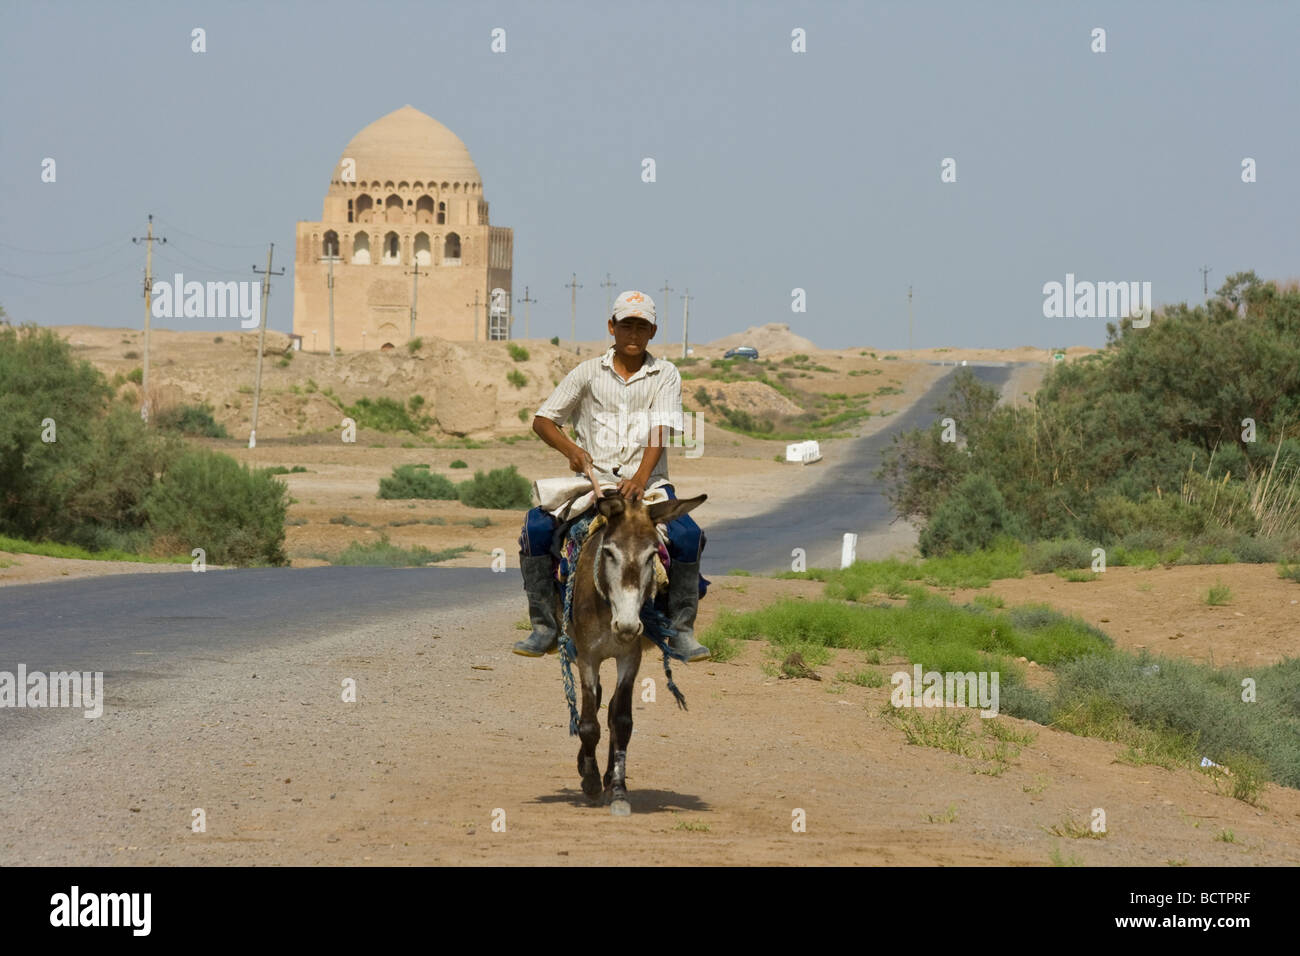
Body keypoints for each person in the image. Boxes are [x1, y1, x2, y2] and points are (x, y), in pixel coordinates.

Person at [514, 290, 710, 662]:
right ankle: (544, 627)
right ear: (612, 327)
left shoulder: (665, 373)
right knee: (536, 529)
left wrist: (640, 477)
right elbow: (543, 421)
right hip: (594, 482)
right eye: (626, 325)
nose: (633, 333)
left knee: (687, 535)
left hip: (649, 486)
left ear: (652, 330)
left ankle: (682, 630)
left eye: (641, 326)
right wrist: (572, 451)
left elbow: (661, 429)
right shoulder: (586, 372)